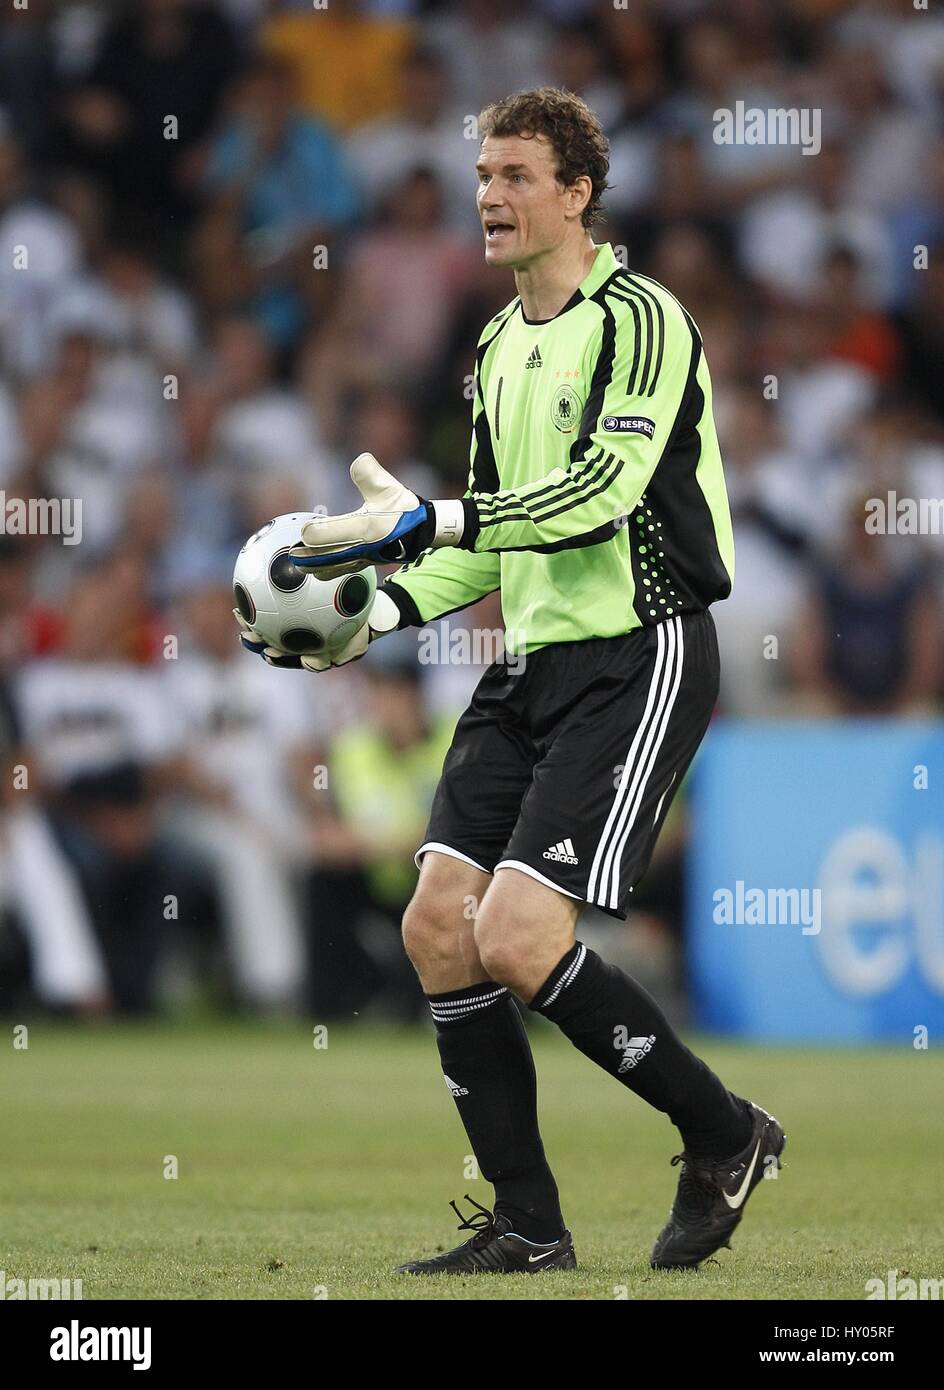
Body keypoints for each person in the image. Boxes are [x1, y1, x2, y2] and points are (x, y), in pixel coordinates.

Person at [236, 88, 784, 1275]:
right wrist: (379, 607)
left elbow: (604, 492)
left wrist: (434, 514)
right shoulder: (493, 344)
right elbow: (487, 551)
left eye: (516, 175)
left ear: (576, 192)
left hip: (640, 650)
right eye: (483, 173)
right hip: (527, 659)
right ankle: (529, 1225)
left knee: (518, 934)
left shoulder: (640, 317)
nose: (489, 193)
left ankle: (725, 1132)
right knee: (438, 926)